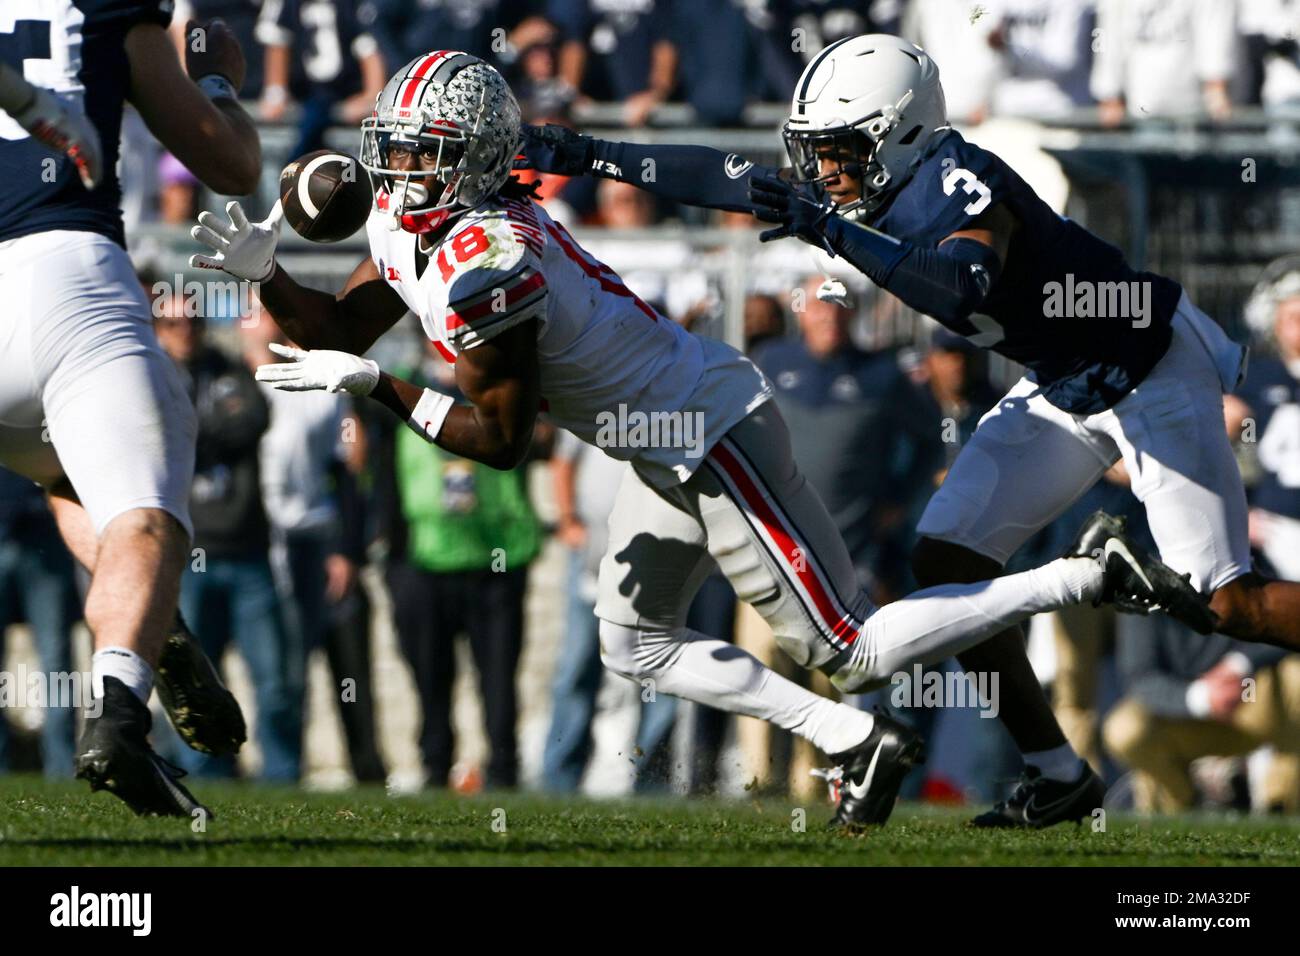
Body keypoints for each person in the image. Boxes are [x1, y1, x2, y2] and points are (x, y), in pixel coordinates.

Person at [192, 50, 1193, 828]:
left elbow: (498, 439)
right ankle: (854, 739)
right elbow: (332, 327)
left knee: (844, 645)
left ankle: (1082, 577)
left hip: (707, 431)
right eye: (394, 147)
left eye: (425, 152)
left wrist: (375, 384)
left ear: (477, 158)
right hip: (653, 438)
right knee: (631, 642)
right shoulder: (417, 228)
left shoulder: (488, 263)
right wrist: (267, 276)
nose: (399, 170)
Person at [514, 32, 1298, 829]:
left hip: (1149, 371)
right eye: (815, 154)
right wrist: (585, 152)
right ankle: (1058, 773)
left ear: (902, 134)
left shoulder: (957, 181)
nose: (825, 173)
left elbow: (965, 289)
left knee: (1228, 606)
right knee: (947, 560)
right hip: (1066, 381)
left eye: (840, 153)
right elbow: (729, 177)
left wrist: (833, 231)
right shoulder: (873, 183)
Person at [0, 8, 261, 817]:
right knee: (146, 516)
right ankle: (116, 715)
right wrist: (218, 81)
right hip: (68, 269)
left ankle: (159, 623)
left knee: (69, 470)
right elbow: (227, 162)